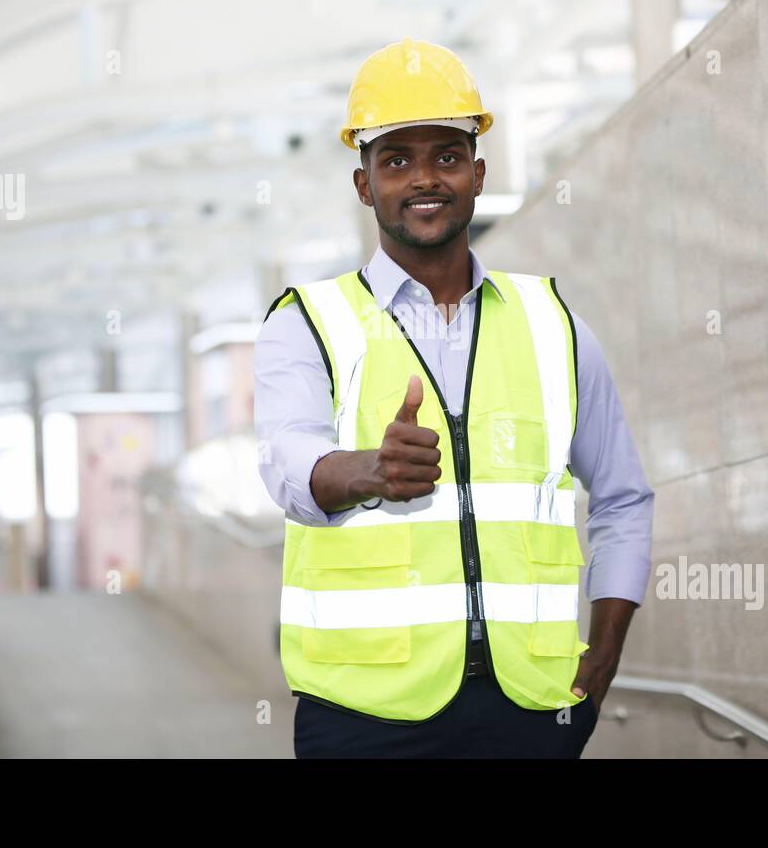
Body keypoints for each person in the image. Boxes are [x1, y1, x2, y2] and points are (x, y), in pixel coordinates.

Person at [254, 37, 654, 758]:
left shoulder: (553, 327)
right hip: (362, 718)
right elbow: (288, 462)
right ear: (363, 183)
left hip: (532, 713)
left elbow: (623, 498)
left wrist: (601, 663)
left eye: (445, 154)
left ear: (477, 172)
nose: (423, 178)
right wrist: (366, 472)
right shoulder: (307, 323)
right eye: (395, 160)